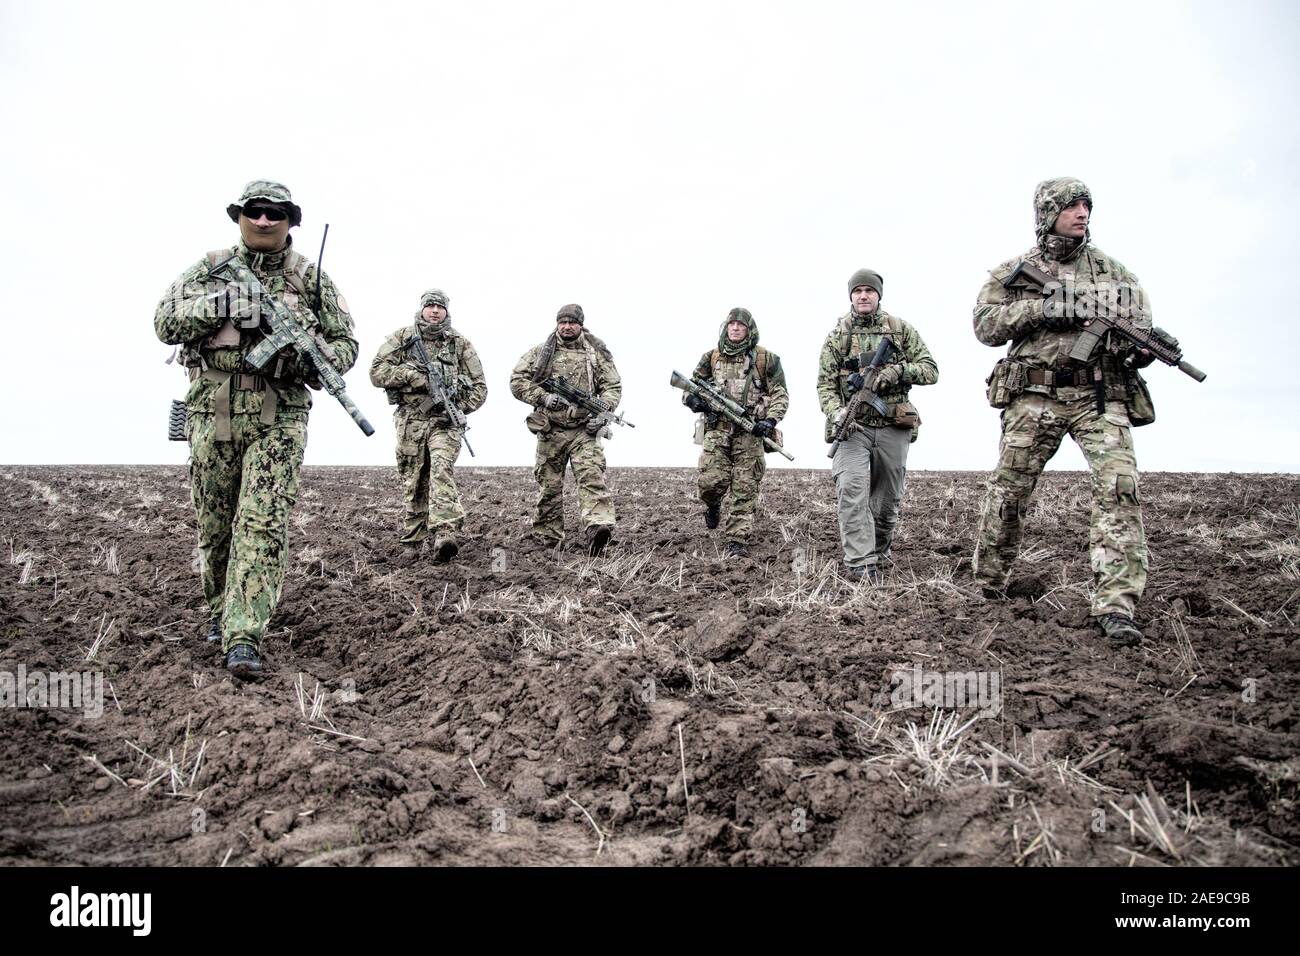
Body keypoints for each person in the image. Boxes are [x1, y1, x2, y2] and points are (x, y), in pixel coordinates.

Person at [154, 180, 359, 679]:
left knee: (262, 521)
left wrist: (307, 355)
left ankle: (244, 634)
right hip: (212, 408)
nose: (264, 220)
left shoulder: (311, 279)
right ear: (240, 216)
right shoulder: (210, 268)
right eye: (255, 211)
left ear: (290, 220)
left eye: (275, 213)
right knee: (215, 523)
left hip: (280, 412)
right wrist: (221, 305)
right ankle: (220, 612)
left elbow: (346, 345)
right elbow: (165, 322)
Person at [971, 177, 1166, 647]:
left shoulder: (1115, 273)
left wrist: (1145, 350)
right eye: (1072, 206)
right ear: (1047, 212)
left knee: (1120, 491)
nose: (1082, 213)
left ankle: (1117, 605)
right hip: (1034, 397)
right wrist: (1040, 310)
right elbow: (984, 324)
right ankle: (988, 584)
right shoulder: (1013, 271)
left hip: (1099, 395)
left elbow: (1136, 332)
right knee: (1010, 490)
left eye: (1086, 206)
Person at [816, 268, 938, 581]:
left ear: (878, 295)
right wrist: (837, 412)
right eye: (857, 291)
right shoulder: (838, 336)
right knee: (852, 489)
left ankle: (879, 552)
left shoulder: (900, 330)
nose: (863, 296)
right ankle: (860, 563)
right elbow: (825, 386)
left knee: (887, 501)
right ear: (851, 296)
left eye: (869, 291)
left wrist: (896, 373)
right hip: (853, 429)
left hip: (892, 426)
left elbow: (930, 370)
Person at [370, 288, 487, 564]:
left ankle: (445, 532)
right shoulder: (402, 338)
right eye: (430, 306)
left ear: (447, 311)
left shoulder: (460, 344)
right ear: (422, 309)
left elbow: (480, 389)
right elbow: (377, 373)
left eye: (440, 306)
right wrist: (411, 375)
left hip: (444, 423)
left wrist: (458, 409)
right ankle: (413, 539)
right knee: (414, 478)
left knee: (441, 469)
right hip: (411, 421)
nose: (435, 311)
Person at [509, 304, 621, 555]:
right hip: (551, 429)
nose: (567, 326)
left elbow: (612, 386)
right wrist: (543, 397)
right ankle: (548, 539)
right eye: (563, 322)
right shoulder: (541, 353)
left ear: (581, 324)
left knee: (592, 476)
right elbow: (517, 381)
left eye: (572, 322)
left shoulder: (595, 353)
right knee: (549, 486)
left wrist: (602, 414)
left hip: (585, 430)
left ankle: (597, 529)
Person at [681, 308, 788, 557]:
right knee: (709, 482)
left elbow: (780, 393)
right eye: (732, 325)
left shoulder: (766, 359)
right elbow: (691, 386)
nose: (736, 328)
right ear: (725, 328)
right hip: (717, 430)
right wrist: (692, 400)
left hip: (750, 432)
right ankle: (712, 504)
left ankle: (736, 540)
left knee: (745, 486)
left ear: (750, 329)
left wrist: (771, 420)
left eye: (741, 325)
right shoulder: (711, 357)